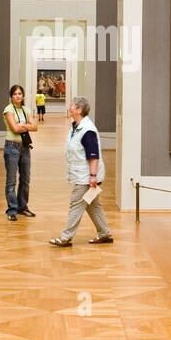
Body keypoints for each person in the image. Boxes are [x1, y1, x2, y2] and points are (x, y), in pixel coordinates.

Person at [49, 96, 111, 247]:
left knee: (76, 203)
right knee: (92, 204)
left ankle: (66, 237)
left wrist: (93, 176)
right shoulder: (75, 126)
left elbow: (94, 156)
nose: (69, 107)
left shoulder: (88, 130)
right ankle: (104, 233)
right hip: (82, 174)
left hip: (87, 176)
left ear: (79, 110)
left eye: (72, 105)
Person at [2, 85, 36, 221]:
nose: (17, 96)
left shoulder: (26, 110)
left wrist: (22, 126)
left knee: (25, 179)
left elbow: (35, 127)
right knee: (11, 181)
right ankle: (12, 210)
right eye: (15, 94)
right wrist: (26, 126)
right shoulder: (8, 110)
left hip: (25, 147)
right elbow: (14, 128)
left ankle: (23, 207)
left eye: (19, 93)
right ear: (11, 96)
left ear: (23, 96)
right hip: (11, 147)